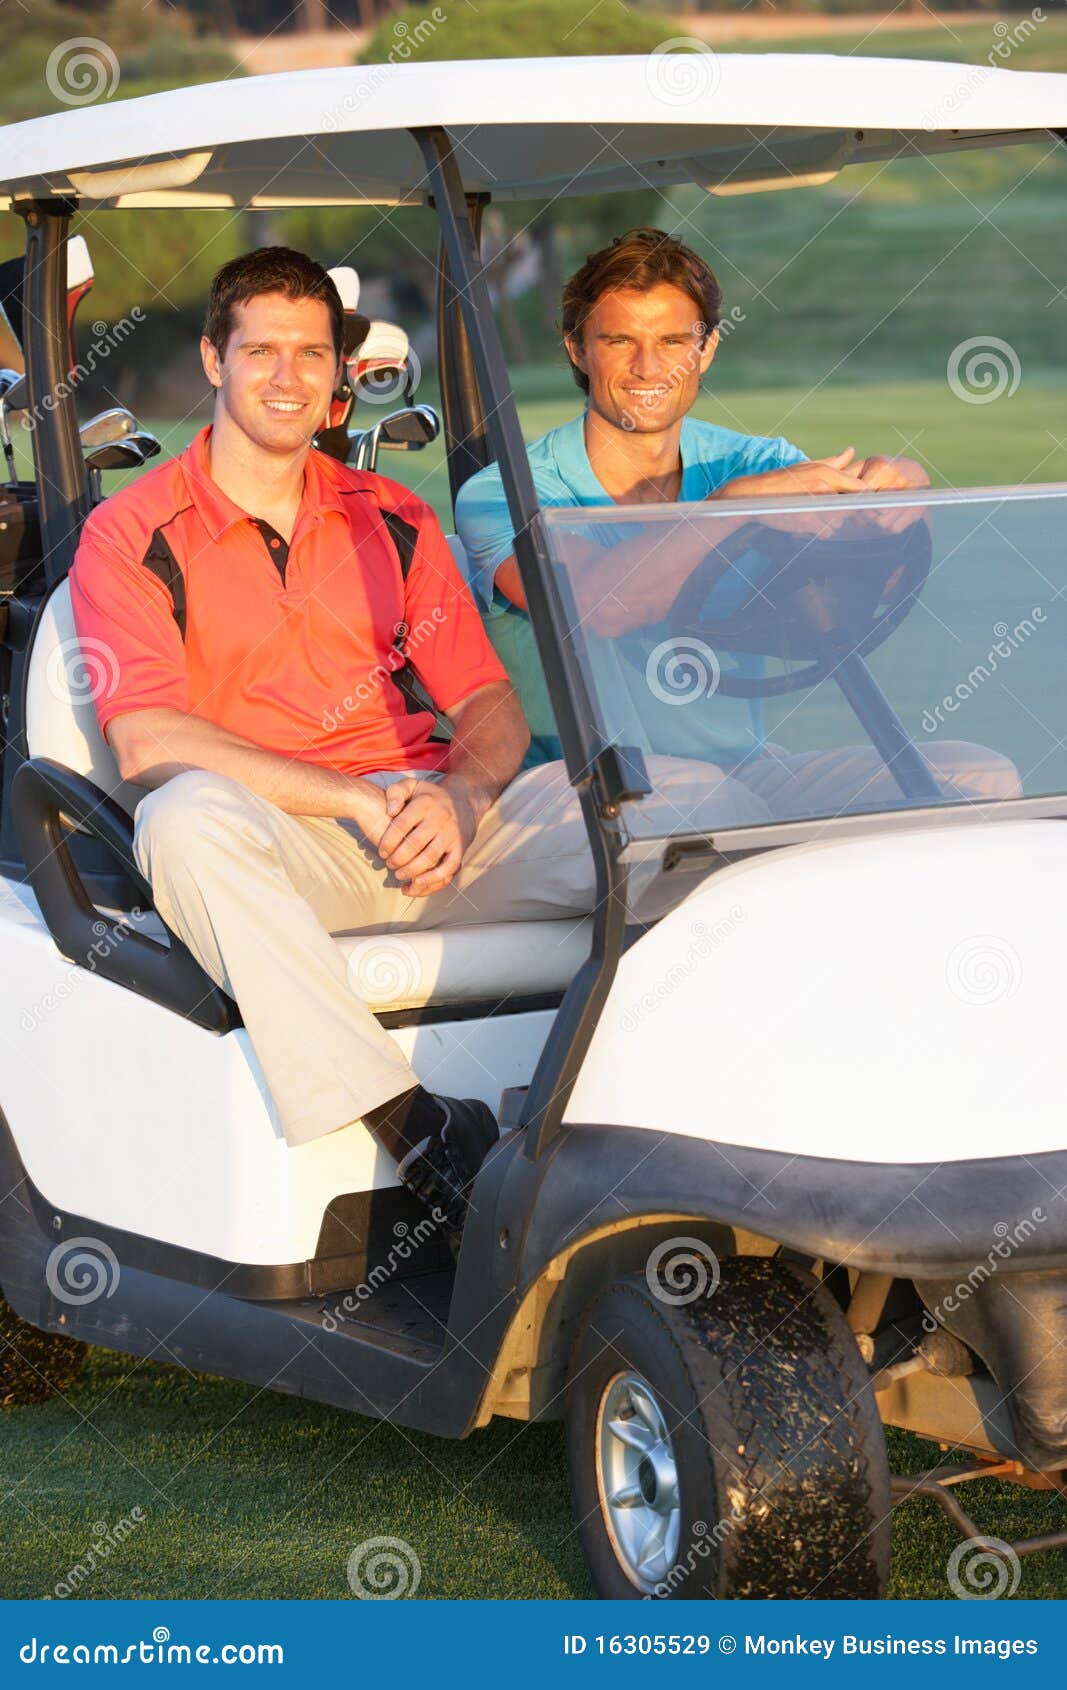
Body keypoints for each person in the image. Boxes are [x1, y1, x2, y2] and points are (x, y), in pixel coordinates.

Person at [67, 248, 591, 1252]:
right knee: (181, 821)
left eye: (311, 353)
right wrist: (351, 801)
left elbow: (486, 703)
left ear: (340, 373)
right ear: (214, 358)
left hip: (438, 823)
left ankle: (639, 1123)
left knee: (650, 809)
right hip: (288, 843)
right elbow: (147, 737)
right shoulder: (134, 531)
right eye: (260, 349)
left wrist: (470, 799)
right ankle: (422, 1134)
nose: (286, 376)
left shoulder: (391, 517)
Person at [455, 227, 1017, 816]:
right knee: (710, 805)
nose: (649, 368)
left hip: (740, 770)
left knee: (980, 776)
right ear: (577, 348)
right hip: (589, 787)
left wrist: (901, 490)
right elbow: (603, 603)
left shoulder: (756, 464)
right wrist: (726, 510)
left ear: (708, 348)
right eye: (620, 340)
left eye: (673, 340)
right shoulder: (505, 493)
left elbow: (861, 582)